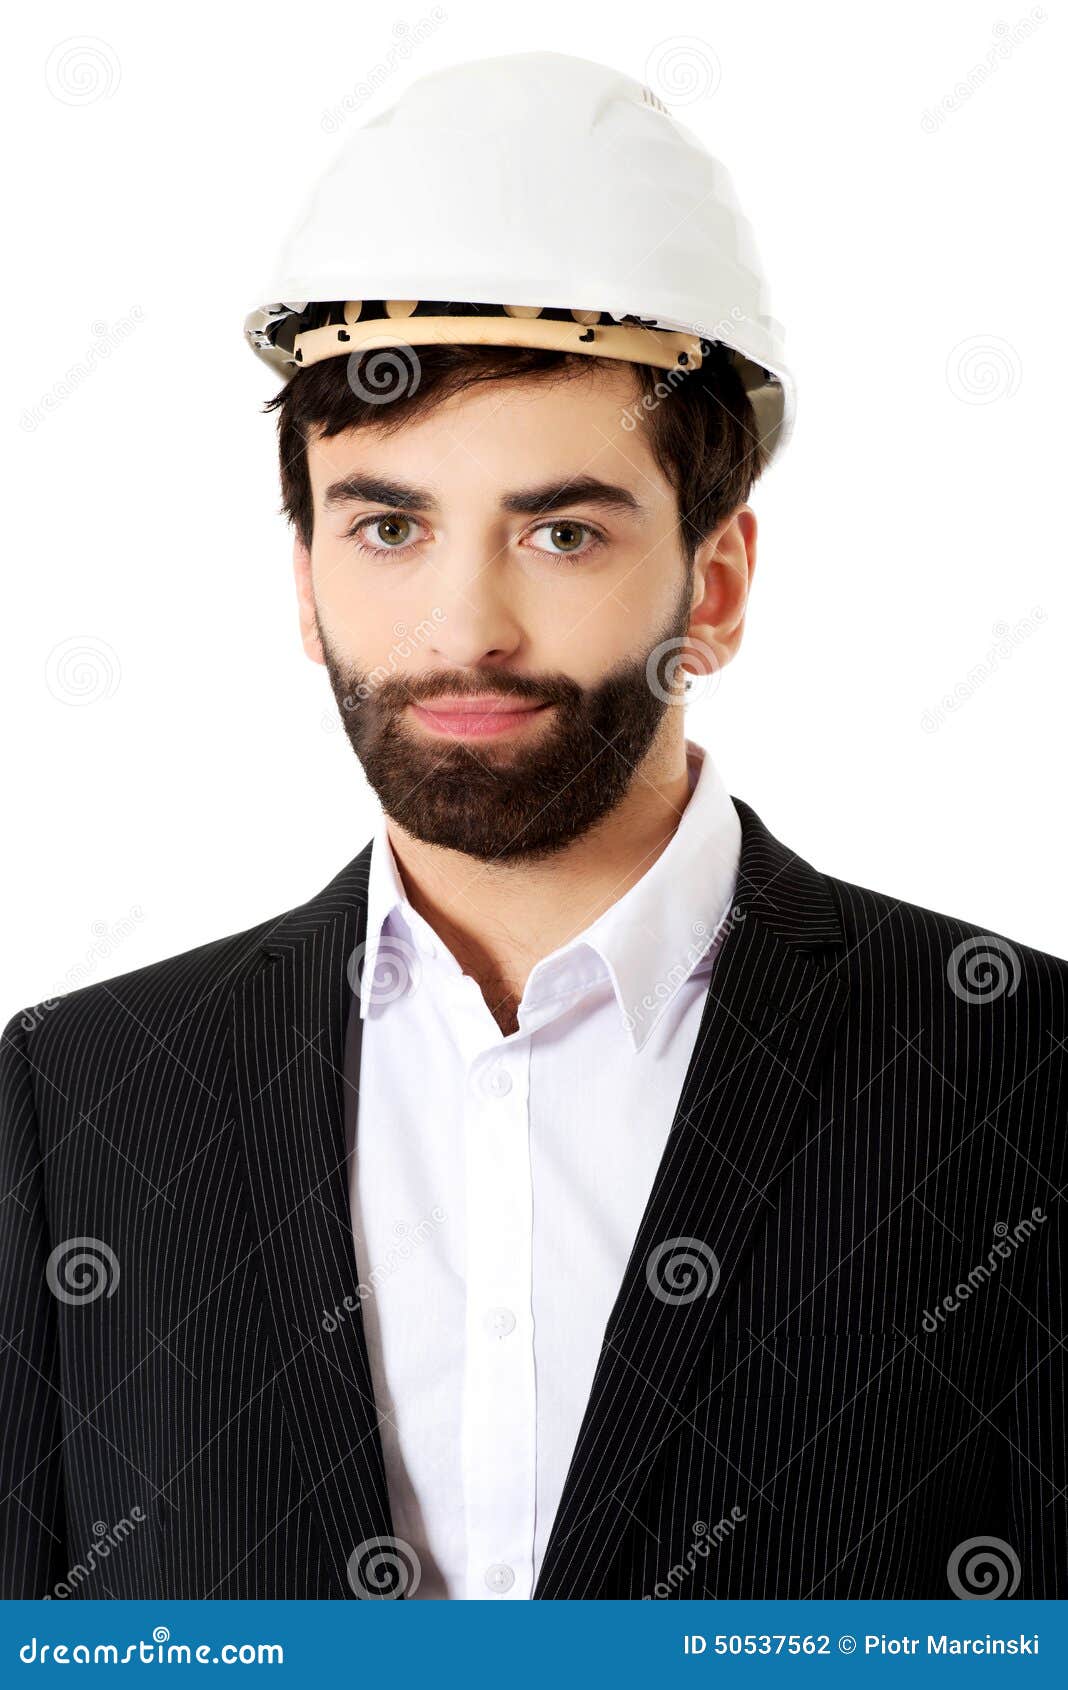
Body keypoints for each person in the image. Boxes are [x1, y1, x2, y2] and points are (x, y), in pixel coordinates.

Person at [1, 50, 1064, 1603]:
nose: (462, 625)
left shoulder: (1018, 1069)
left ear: (716, 583)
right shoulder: (77, 1103)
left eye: (561, 531)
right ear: (303, 578)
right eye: (387, 523)